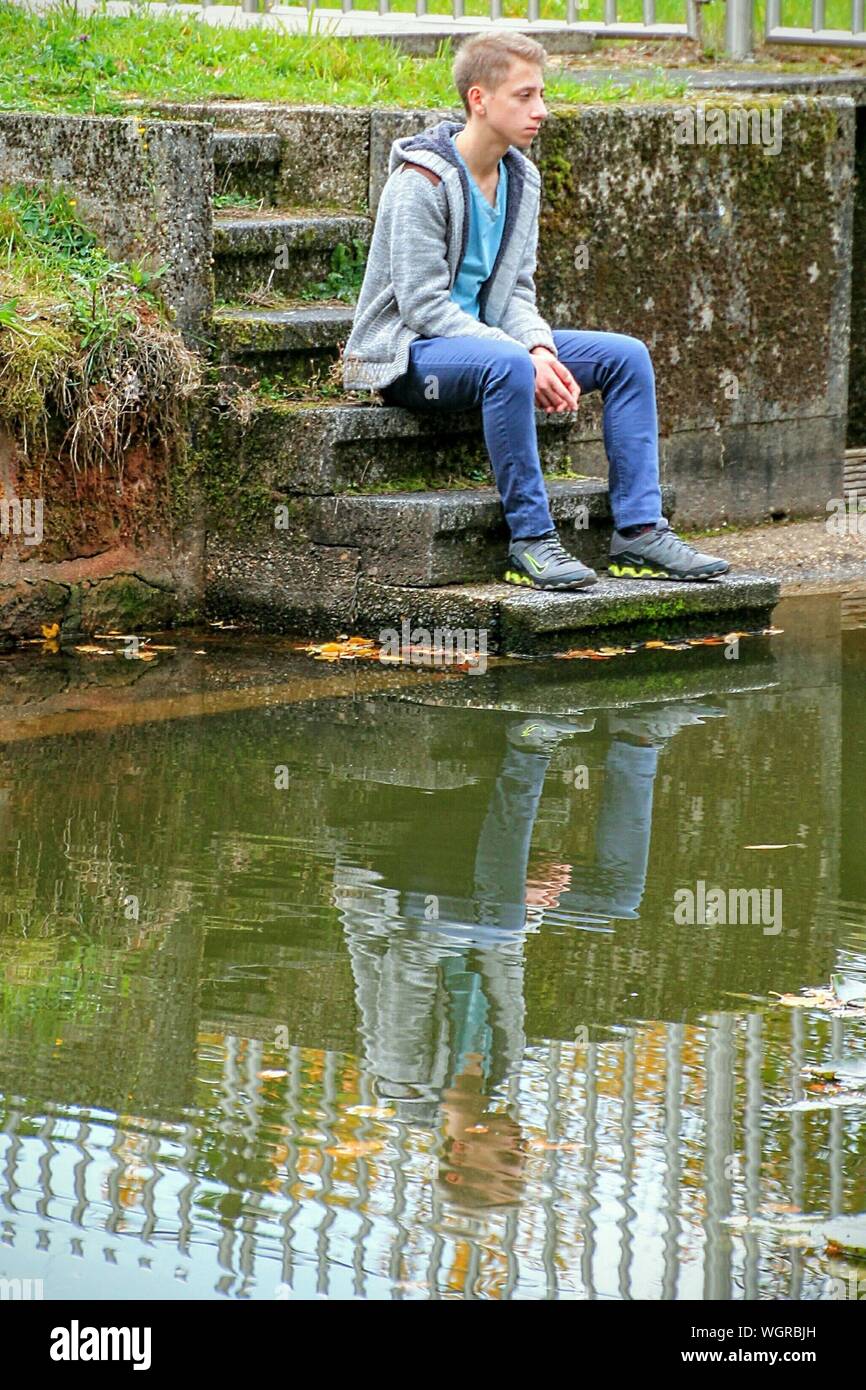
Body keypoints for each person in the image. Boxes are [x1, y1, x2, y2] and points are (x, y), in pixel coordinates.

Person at [341, 30, 731, 592]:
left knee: (626, 357)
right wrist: (521, 354)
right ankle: (532, 540)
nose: (541, 111)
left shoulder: (522, 180)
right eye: (524, 97)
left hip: (494, 349)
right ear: (479, 99)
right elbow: (423, 307)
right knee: (512, 368)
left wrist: (540, 345)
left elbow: (517, 292)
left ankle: (640, 534)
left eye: (541, 95)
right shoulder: (420, 181)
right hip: (408, 354)